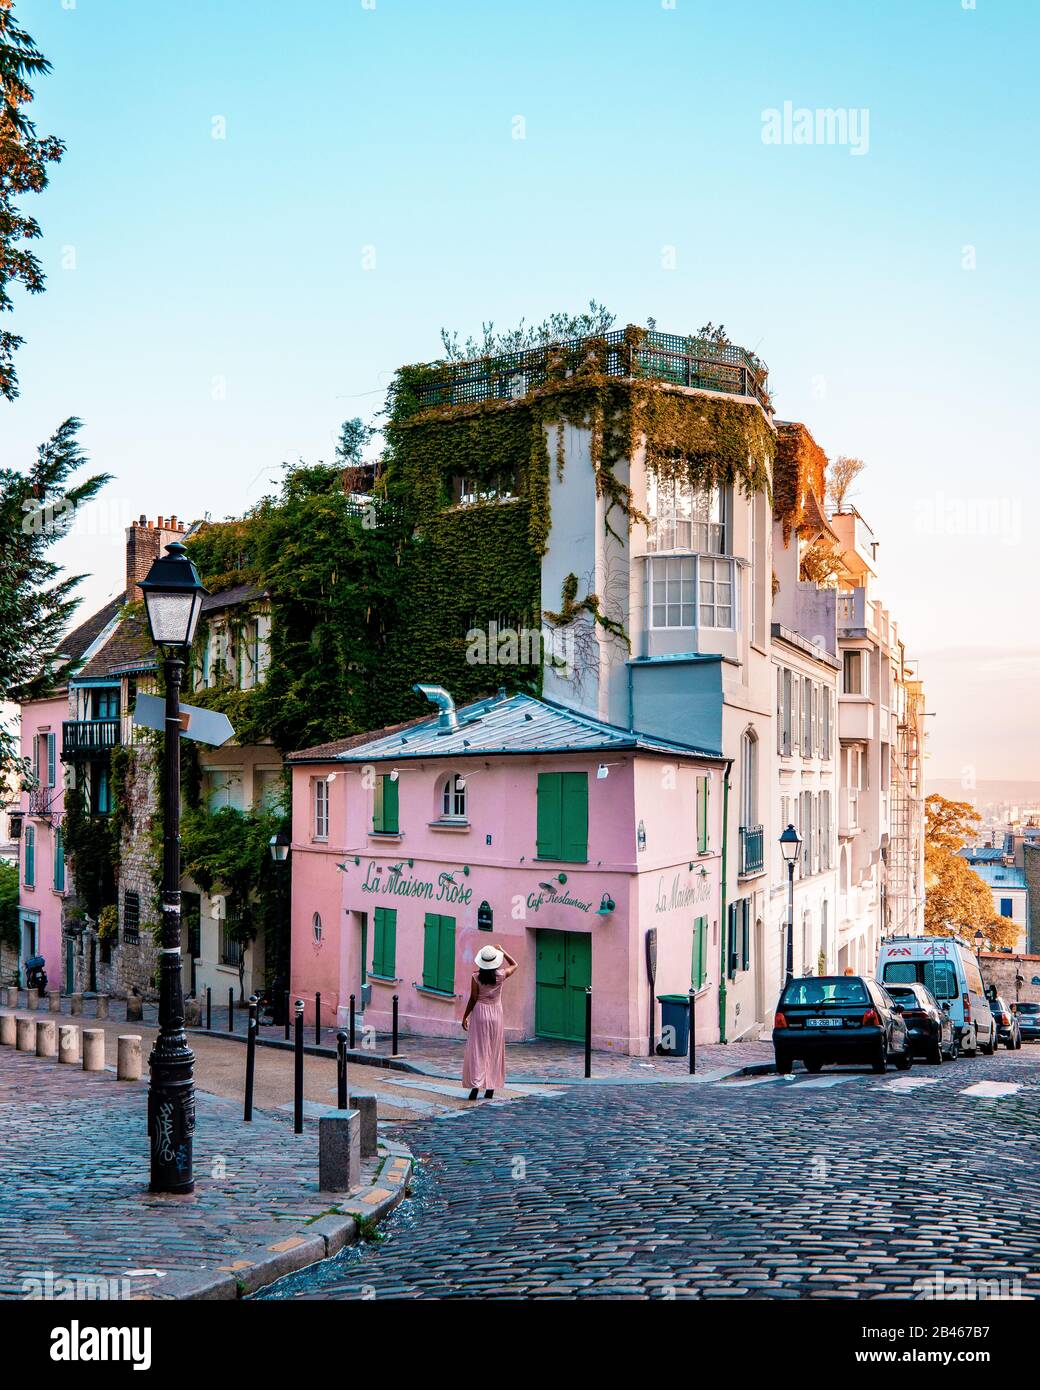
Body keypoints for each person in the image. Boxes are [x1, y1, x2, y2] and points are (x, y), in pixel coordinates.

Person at [461, 943, 517, 1100]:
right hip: (496, 1014)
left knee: (478, 1050)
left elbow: (473, 998)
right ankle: (491, 1087)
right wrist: (503, 951)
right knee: (494, 1049)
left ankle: (475, 1086)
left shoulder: (476, 977)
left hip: (480, 1012)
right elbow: (515, 965)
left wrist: (465, 1016)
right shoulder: (501, 975)